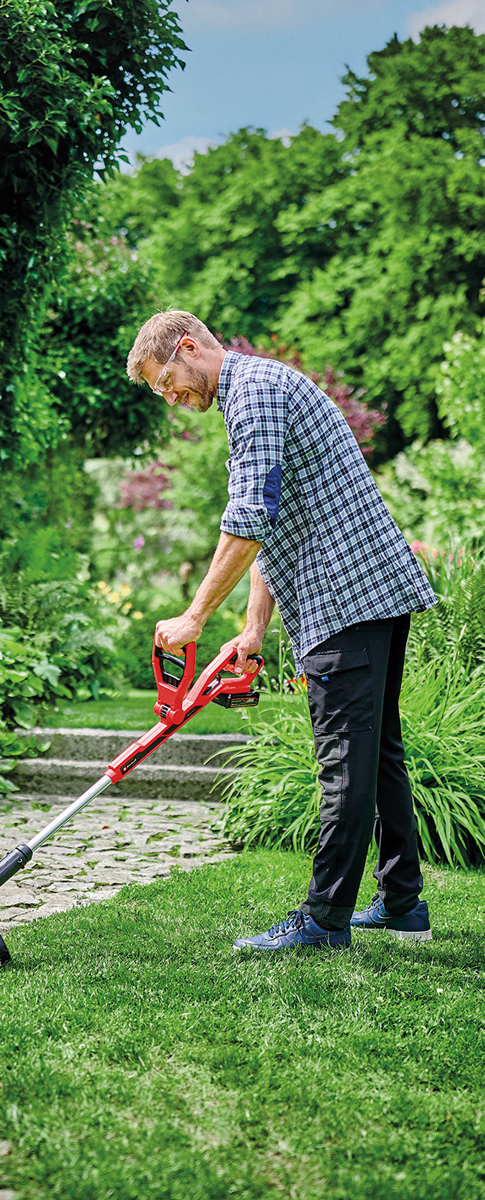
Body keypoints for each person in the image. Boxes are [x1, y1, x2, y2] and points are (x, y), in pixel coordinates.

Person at [126, 311, 437, 952]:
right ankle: (403, 902)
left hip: (345, 597)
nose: (171, 399)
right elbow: (273, 524)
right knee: (376, 755)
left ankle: (324, 920)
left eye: (166, 383)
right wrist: (253, 628)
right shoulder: (257, 390)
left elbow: (246, 519)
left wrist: (194, 616)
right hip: (368, 592)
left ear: (188, 347)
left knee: (345, 761)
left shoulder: (256, 395)